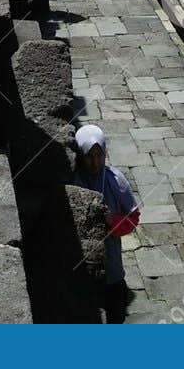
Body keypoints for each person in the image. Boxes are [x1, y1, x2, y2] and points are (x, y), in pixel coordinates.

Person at [74, 124, 140, 323]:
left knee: (115, 308)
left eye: (99, 156)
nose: (95, 162)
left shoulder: (115, 181)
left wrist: (111, 222)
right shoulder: (74, 180)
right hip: (81, 259)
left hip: (110, 257)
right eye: (89, 156)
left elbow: (133, 218)